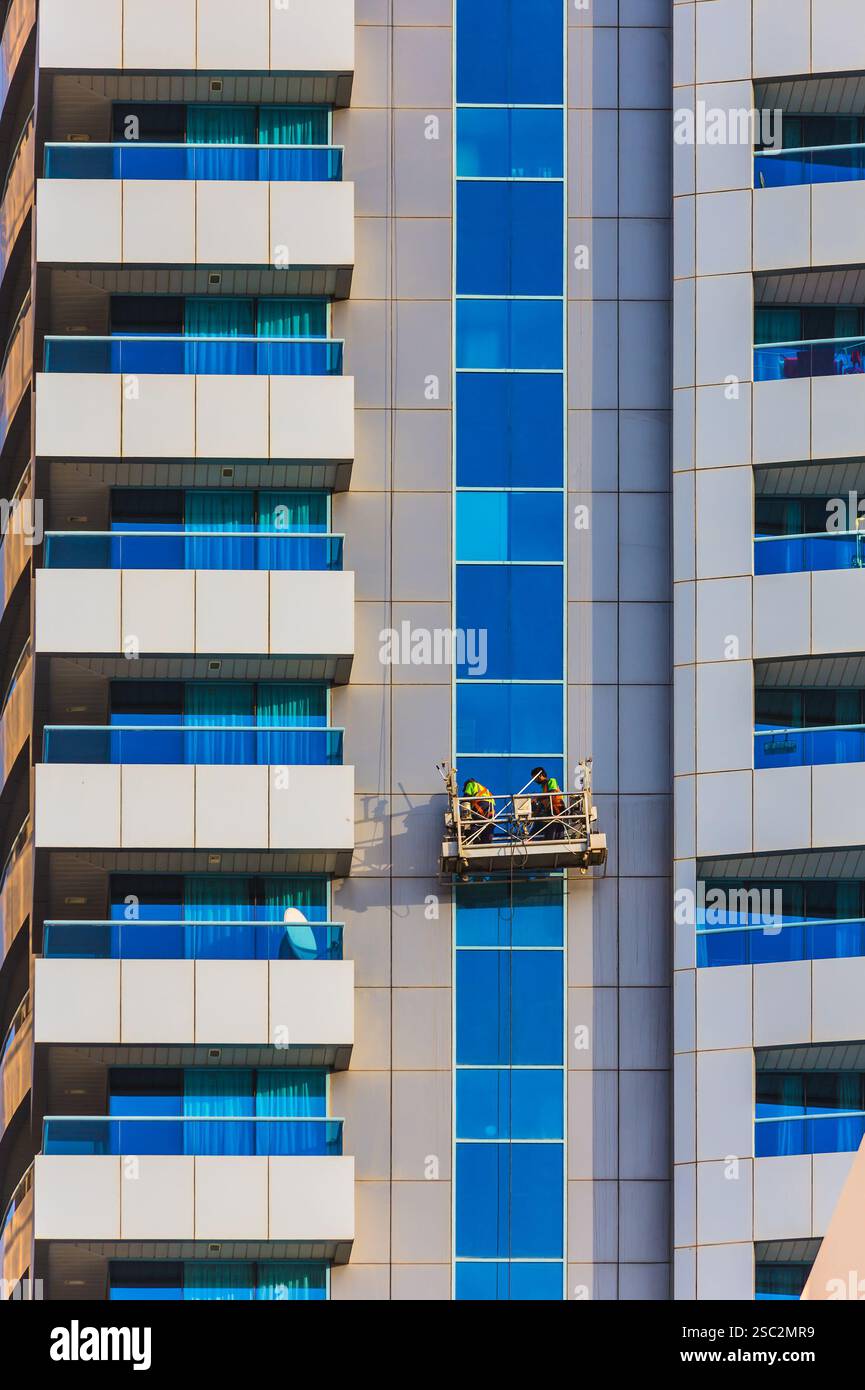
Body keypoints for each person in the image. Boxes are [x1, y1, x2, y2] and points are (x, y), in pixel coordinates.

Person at [530, 766, 565, 840]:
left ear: (540, 775)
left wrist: (537, 798)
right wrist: (535, 812)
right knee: (546, 829)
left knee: (555, 832)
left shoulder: (551, 781)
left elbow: (552, 792)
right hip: (551, 811)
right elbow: (544, 800)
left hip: (557, 810)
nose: (534, 781)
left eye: (534, 778)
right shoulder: (544, 787)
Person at [461, 777, 495, 845]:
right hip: (491, 809)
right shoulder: (484, 789)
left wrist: (461, 804)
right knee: (487, 824)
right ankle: (486, 840)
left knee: (473, 820)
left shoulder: (471, 784)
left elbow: (466, 797)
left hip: (481, 805)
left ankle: (475, 838)